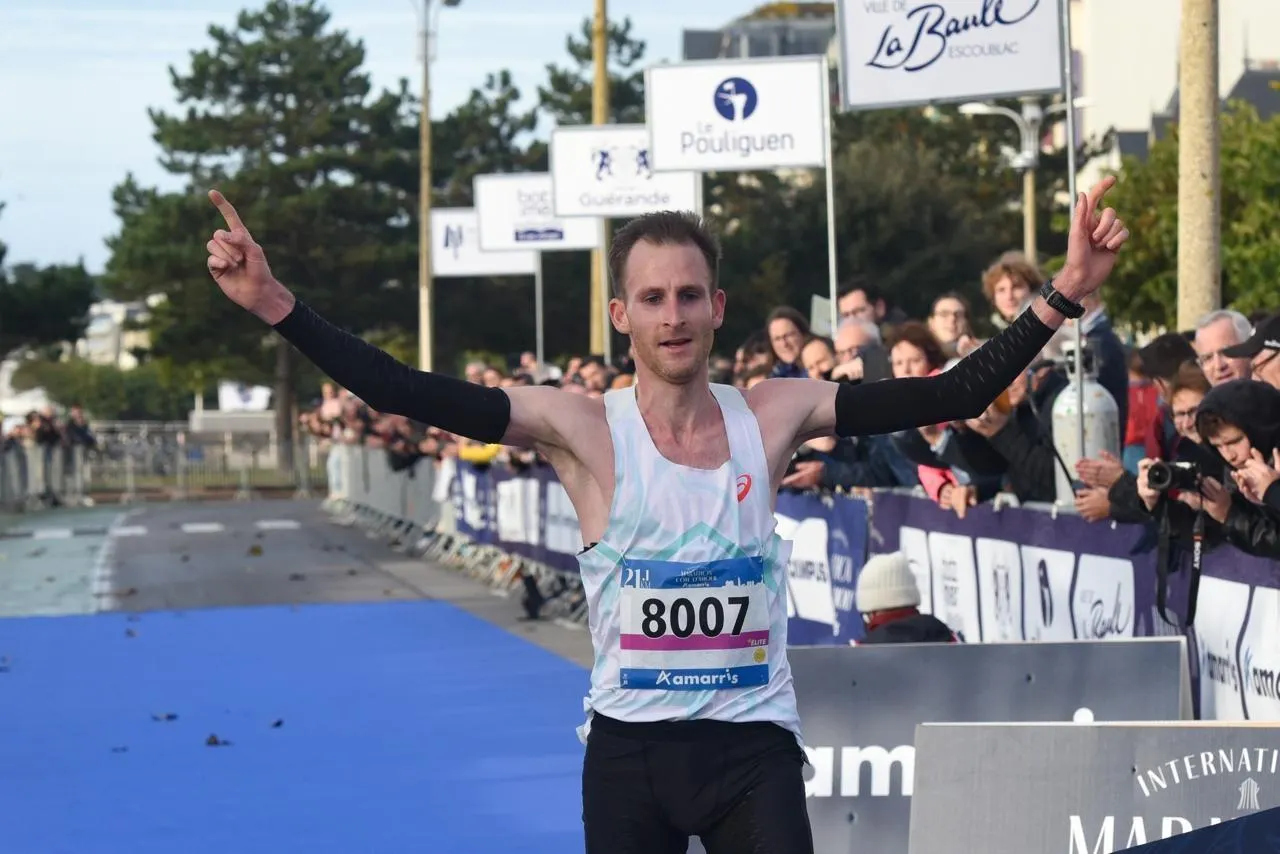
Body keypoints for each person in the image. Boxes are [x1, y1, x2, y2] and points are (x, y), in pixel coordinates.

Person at [203, 179, 1128, 854]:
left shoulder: (774, 413)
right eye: (652, 299)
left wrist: (1066, 290)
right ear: (622, 315)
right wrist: (275, 303)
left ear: (717, 307)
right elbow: (405, 390)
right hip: (631, 756)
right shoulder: (580, 429)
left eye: (689, 296)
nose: (673, 316)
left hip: (753, 748)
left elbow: (951, 392)